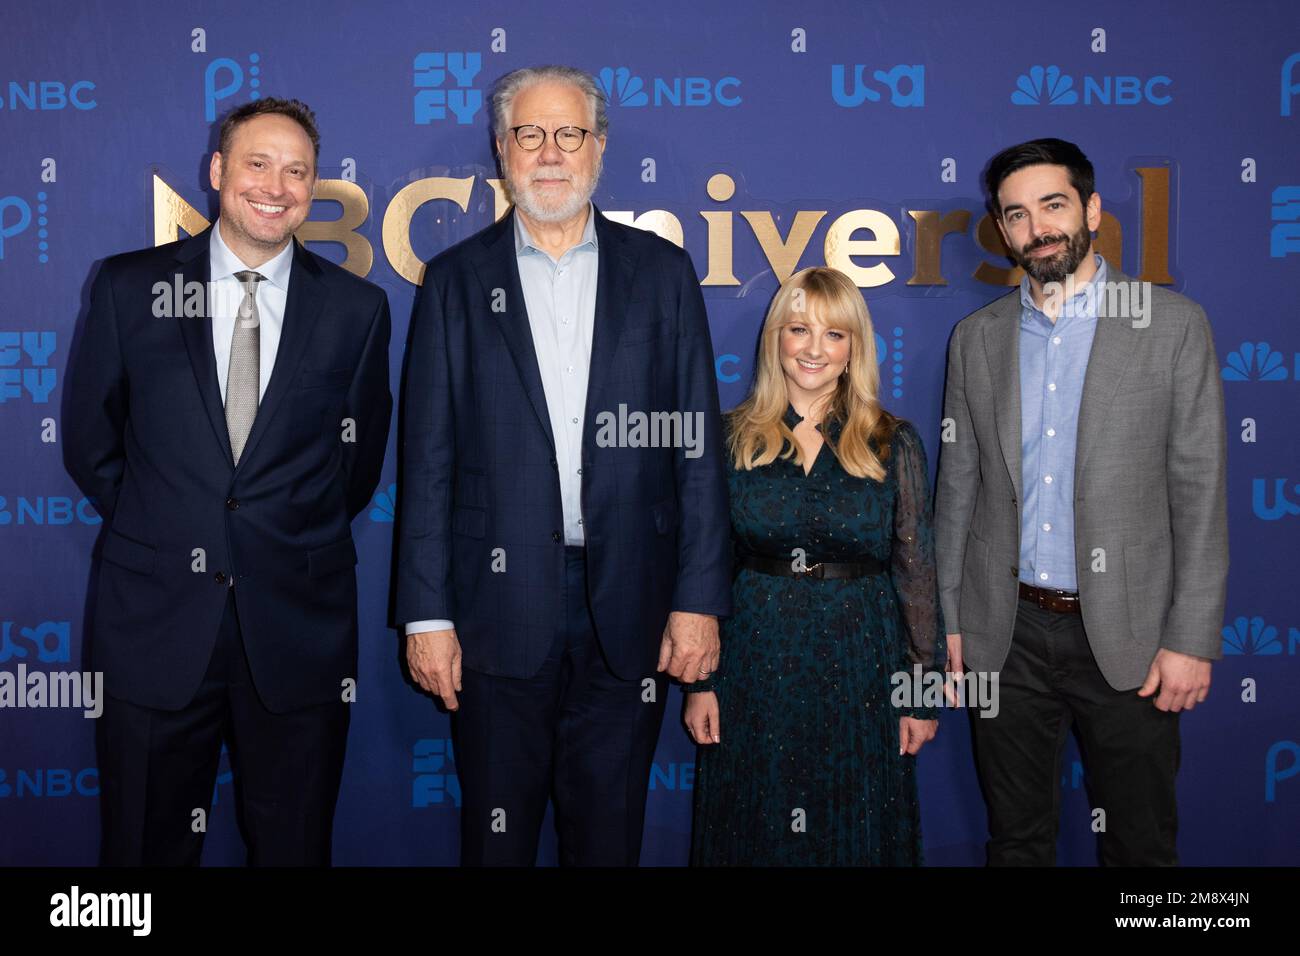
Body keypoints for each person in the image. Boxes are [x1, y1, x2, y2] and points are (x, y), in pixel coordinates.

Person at [394, 65, 731, 866]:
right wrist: (426, 615)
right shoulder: (453, 283)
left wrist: (699, 599)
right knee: (496, 842)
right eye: (529, 134)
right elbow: (428, 460)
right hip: (491, 610)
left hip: (633, 608)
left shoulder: (661, 272)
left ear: (599, 148)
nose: (550, 152)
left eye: (569, 133)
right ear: (502, 151)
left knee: (607, 841)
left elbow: (697, 450)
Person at [63, 98, 392, 865]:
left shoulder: (356, 310)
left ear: (314, 187)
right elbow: (90, 444)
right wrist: (168, 524)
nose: (276, 185)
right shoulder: (126, 288)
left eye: (297, 170)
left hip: (298, 631)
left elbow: (357, 463)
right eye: (257, 162)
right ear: (216, 172)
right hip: (154, 626)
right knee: (142, 851)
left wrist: (273, 534)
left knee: (294, 848)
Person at [934, 137, 1228, 866]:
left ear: (1093, 209)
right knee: (1018, 842)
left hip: (1130, 635)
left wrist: (1192, 637)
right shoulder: (976, 339)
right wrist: (950, 620)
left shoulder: (1172, 325)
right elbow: (958, 490)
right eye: (1017, 214)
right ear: (1002, 231)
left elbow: (1200, 493)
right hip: (1007, 636)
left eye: (1054, 205)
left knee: (1140, 846)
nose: (1038, 228)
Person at [685, 266, 946, 866]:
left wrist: (921, 691)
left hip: (861, 662)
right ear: (776, 336)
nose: (814, 349)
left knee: (854, 825)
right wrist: (702, 682)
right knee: (752, 823)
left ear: (856, 347)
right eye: (799, 329)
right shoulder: (730, 439)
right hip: (753, 662)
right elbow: (706, 565)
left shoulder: (891, 440)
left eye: (834, 334)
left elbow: (917, 572)